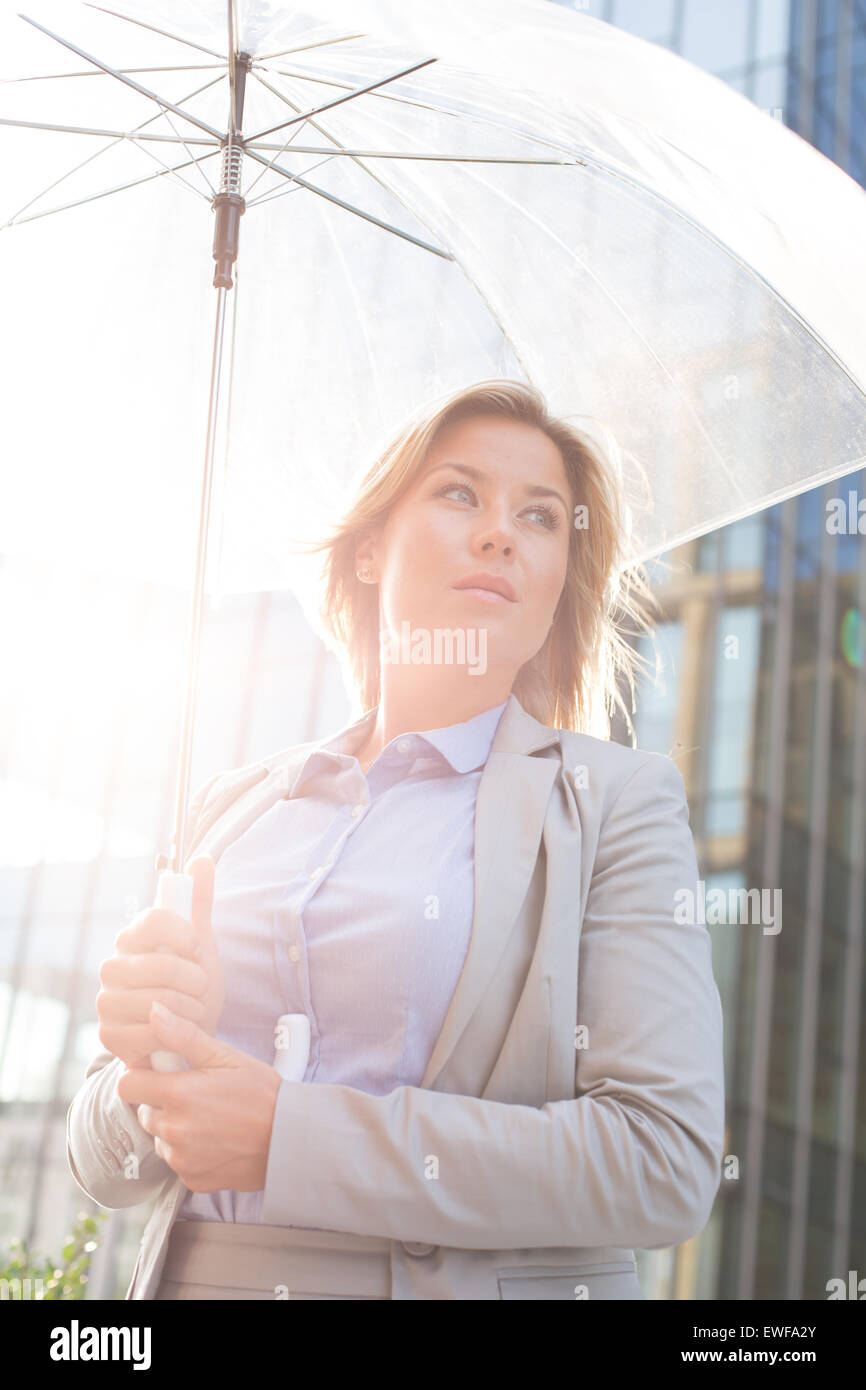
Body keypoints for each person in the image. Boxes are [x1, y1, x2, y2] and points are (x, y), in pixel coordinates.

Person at [67, 379, 725, 1301]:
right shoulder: (231, 807)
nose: (500, 531)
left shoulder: (616, 802)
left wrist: (290, 1140)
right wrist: (150, 1056)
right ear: (370, 548)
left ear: (553, 591)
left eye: (541, 518)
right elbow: (106, 1163)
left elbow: (662, 1160)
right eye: (461, 493)